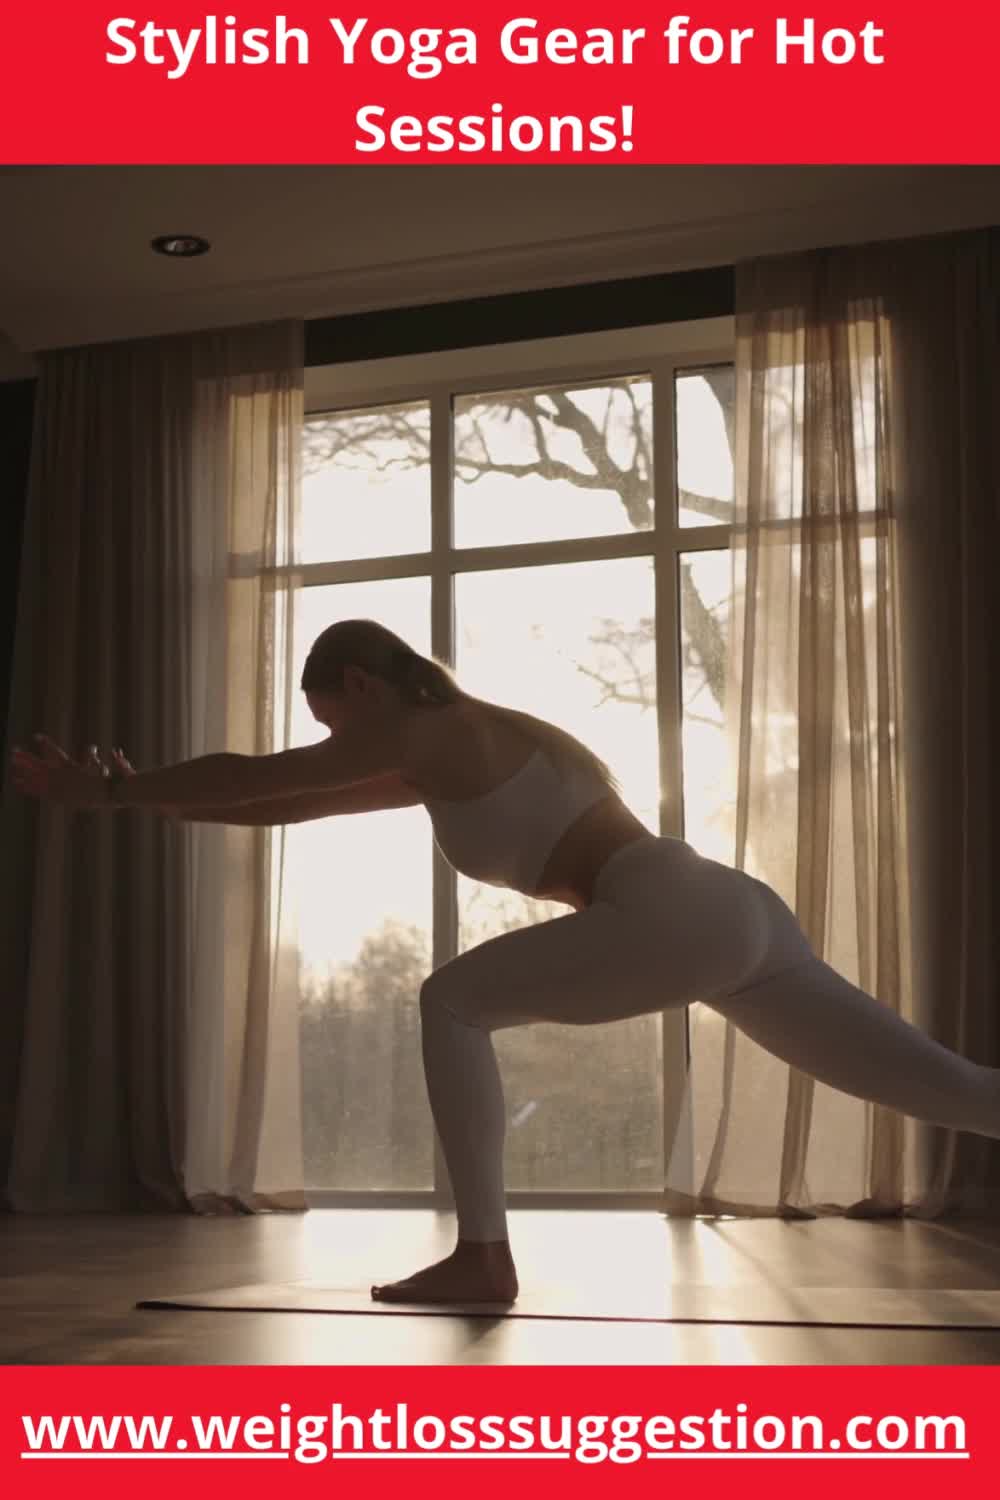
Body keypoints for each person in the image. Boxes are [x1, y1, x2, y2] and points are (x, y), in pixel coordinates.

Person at [11, 618, 1000, 1306]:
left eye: (331, 719)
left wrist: (105, 799)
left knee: (452, 1002)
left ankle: (482, 1256)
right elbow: (287, 800)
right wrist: (138, 794)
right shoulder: (469, 736)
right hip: (732, 914)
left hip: (669, 912)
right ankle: (479, 1254)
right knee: (954, 1091)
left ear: (360, 683)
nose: (334, 740)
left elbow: (271, 776)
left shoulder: (424, 723)